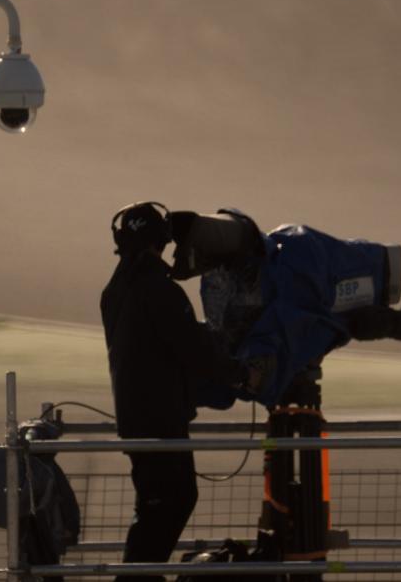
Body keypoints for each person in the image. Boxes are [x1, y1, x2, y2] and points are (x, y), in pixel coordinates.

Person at [100, 201, 267, 582]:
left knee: (157, 504)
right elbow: (195, 350)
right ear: (159, 241)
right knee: (170, 502)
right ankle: (138, 577)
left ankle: (142, 574)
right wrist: (242, 375)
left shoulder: (115, 291)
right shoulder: (159, 291)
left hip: (138, 419)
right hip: (160, 421)